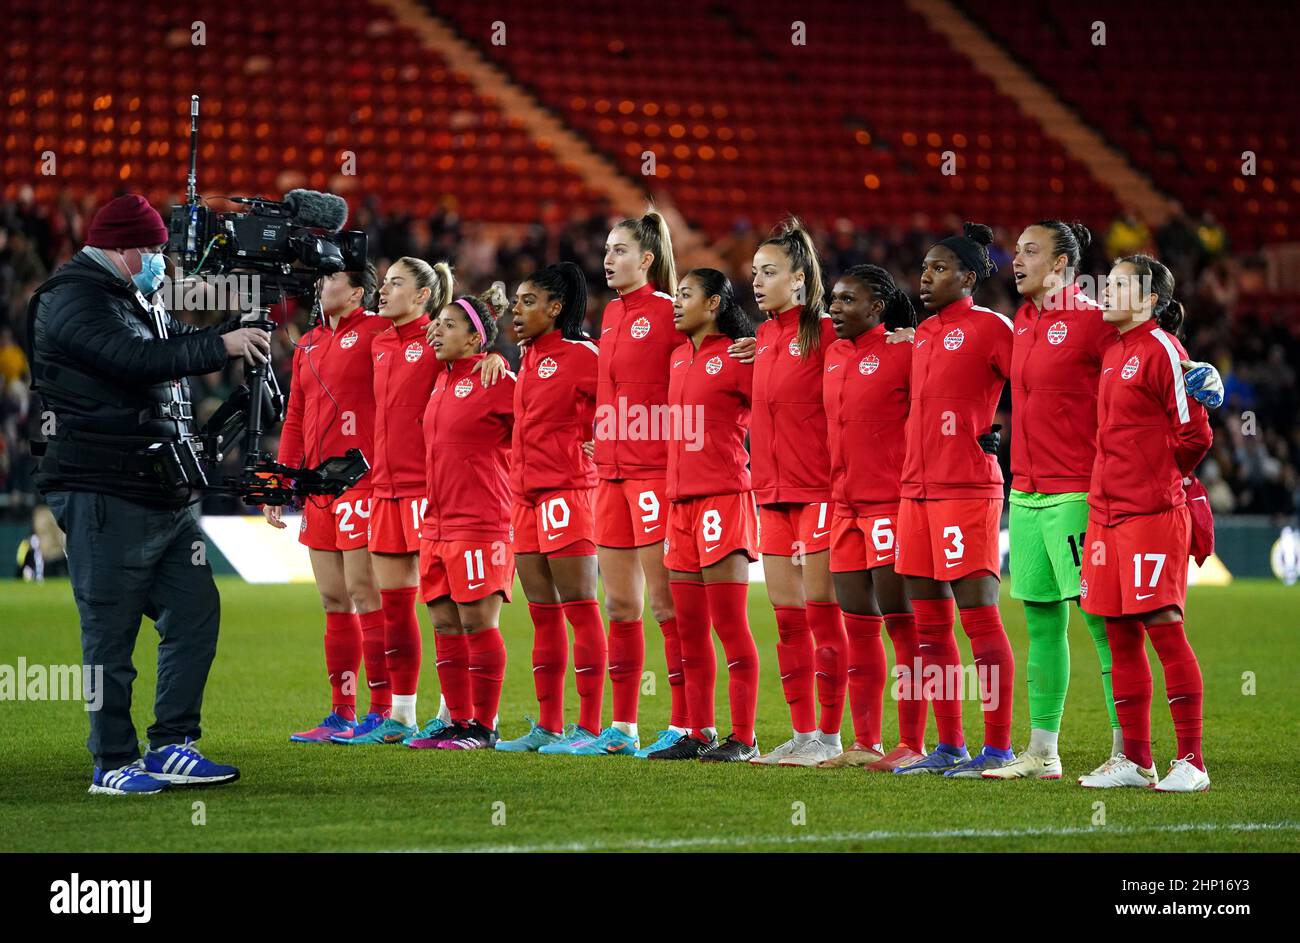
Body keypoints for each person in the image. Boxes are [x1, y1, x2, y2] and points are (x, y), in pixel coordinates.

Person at [30, 193, 261, 794]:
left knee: (193, 611)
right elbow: (132, 358)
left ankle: (172, 746)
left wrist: (234, 331)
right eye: (154, 250)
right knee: (110, 633)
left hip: (158, 487)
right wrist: (219, 347)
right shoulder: (70, 299)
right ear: (122, 248)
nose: (163, 260)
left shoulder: (132, 296)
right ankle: (111, 761)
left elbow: (170, 338)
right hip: (103, 487)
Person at [983, 221, 1122, 780]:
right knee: (1040, 622)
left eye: (1031, 251)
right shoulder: (1022, 320)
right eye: (1016, 250)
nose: (1016, 259)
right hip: (1028, 491)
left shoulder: (1094, 320)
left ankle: (1128, 750)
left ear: (1063, 264)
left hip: (1078, 491)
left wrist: (1190, 369)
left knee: (1103, 623)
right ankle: (1043, 752)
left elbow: (1146, 352)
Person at [1079, 256, 1213, 792]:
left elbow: (1195, 435)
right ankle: (1136, 760)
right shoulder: (1112, 351)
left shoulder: (1162, 349)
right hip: (1105, 518)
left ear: (1151, 298)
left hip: (1151, 516)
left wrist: (1156, 484)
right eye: (1105, 283)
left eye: (1117, 285)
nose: (1105, 291)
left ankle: (1192, 762)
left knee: (1164, 628)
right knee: (1119, 633)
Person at [892, 222, 1017, 778]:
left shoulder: (993, 328)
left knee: (980, 620)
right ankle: (949, 746)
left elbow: (1037, 384)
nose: (926, 276)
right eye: (924, 267)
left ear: (969, 276)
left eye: (940, 268)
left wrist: (1008, 435)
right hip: (915, 491)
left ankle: (998, 749)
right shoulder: (921, 333)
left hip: (966, 488)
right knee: (929, 629)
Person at [269, 264, 390, 744]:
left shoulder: (380, 332)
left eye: (333, 278)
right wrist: (283, 480)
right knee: (334, 600)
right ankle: (342, 713)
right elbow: (295, 414)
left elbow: (434, 346)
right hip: (317, 486)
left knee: (366, 595)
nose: (321, 285)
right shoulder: (307, 344)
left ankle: (383, 711)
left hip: (362, 480)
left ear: (359, 291)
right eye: (321, 279)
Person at [493, 263, 611, 754]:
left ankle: (588, 727)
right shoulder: (526, 357)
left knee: (581, 610)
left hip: (568, 493)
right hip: (525, 498)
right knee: (543, 616)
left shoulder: (583, 354)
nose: (516, 311)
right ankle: (549, 725)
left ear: (555, 308)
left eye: (527, 302)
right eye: (515, 302)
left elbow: (627, 405)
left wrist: (604, 443)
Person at [647, 269, 762, 762]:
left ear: (713, 303)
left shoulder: (739, 355)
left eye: (686, 295)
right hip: (681, 505)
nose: (676, 303)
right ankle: (700, 731)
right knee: (689, 628)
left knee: (730, 625)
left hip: (723, 499)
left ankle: (745, 738)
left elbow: (779, 405)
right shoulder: (676, 357)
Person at [746, 217, 848, 767]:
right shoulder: (762, 337)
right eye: (754, 273)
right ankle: (803, 732)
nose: (757, 282)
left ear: (801, 278)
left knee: (822, 615)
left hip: (819, 493)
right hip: (772, 493)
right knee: (787, 619)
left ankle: (830, 739)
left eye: (769, 272)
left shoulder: (830, 334)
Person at [819, 264, 929, 771]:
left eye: (846, 300)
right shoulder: (833, 352)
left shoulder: (906, 350)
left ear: (877, 308)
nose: (834, 309)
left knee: (904, 629)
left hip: (891, 505)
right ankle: (866, 742)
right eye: (833, 300)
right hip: (843, 508)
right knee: (858, 627)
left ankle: (913, 743)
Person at [405, 287, 516, 750]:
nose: (437, 330)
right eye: (438, 323)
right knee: (445, 624)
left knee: (477, 624)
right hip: (437, 523)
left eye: (449, 325)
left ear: (474, 340)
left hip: (481, 520)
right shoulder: (441, 379)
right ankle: (459, 722)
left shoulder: (498, 380)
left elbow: (547, 410)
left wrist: (505, 360)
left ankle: (484, 728)